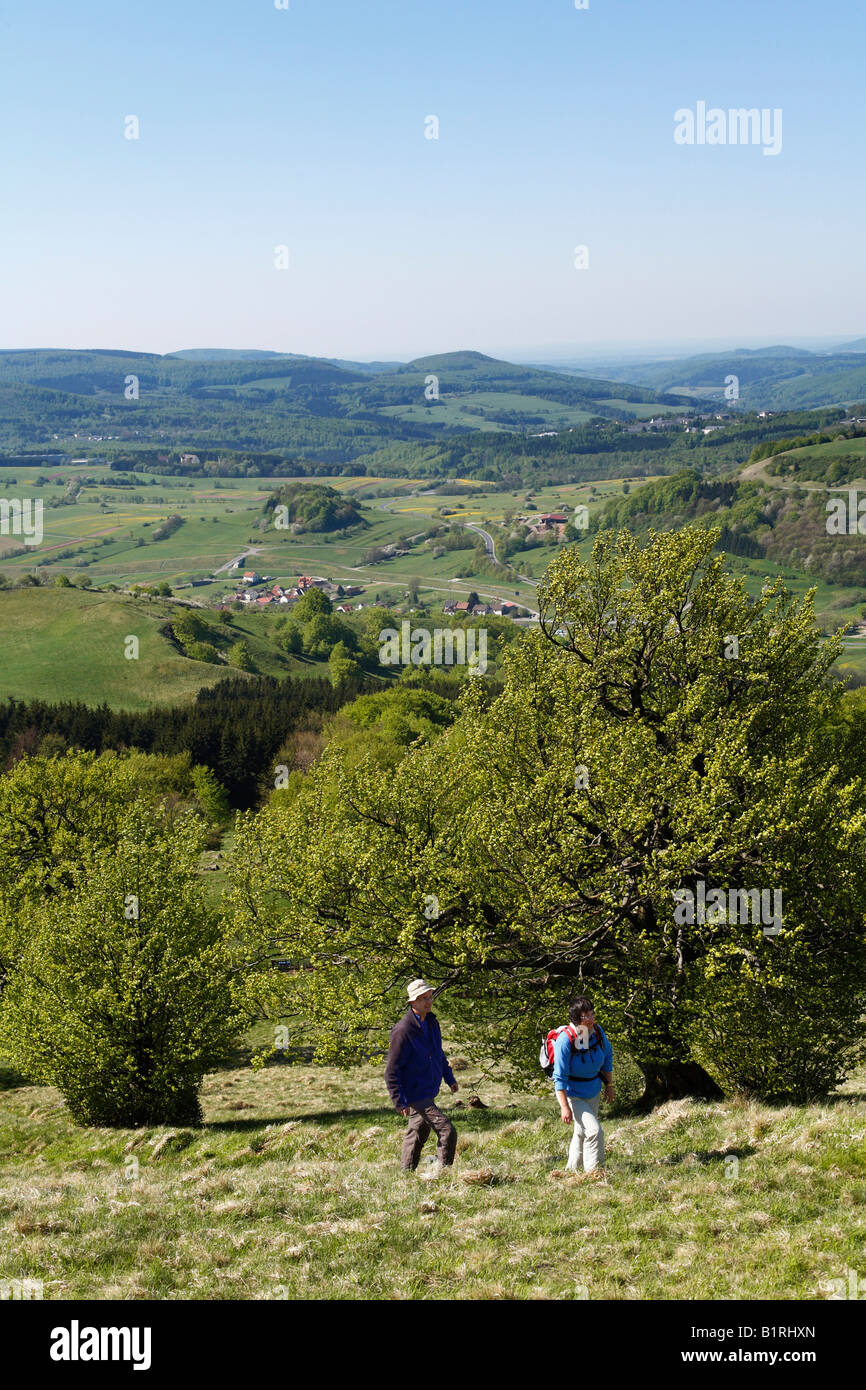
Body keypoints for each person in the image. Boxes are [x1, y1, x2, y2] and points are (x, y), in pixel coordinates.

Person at [385, 979, 459, 1173]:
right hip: (415, 1092)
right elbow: (392, 1070)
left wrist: (449, 1078)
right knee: (447, 1130)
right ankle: (443, 1172)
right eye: (422, 998)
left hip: (429, 1087)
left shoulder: (432, 1023)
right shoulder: (402, 1030)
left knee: (418, 1131)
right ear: (412, 1002)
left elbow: (438, 1053)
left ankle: (405, 1173)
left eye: (429, 997)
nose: (428, 1001)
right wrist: (399, 1101)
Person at [553, 995, 614, 1174]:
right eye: (584, 1016)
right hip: (574, 1094)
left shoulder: (596, 1031)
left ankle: (572, 1171)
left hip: (593, 1089)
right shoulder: (565, 1040)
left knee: (581, 1132)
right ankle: (594, 1174)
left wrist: (609, 1085)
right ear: (575, 1018)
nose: (589, 1019)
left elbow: (607, 1058)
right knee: (594, 1131)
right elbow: (560, 1076)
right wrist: (564, 1107)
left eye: (591, 1014)